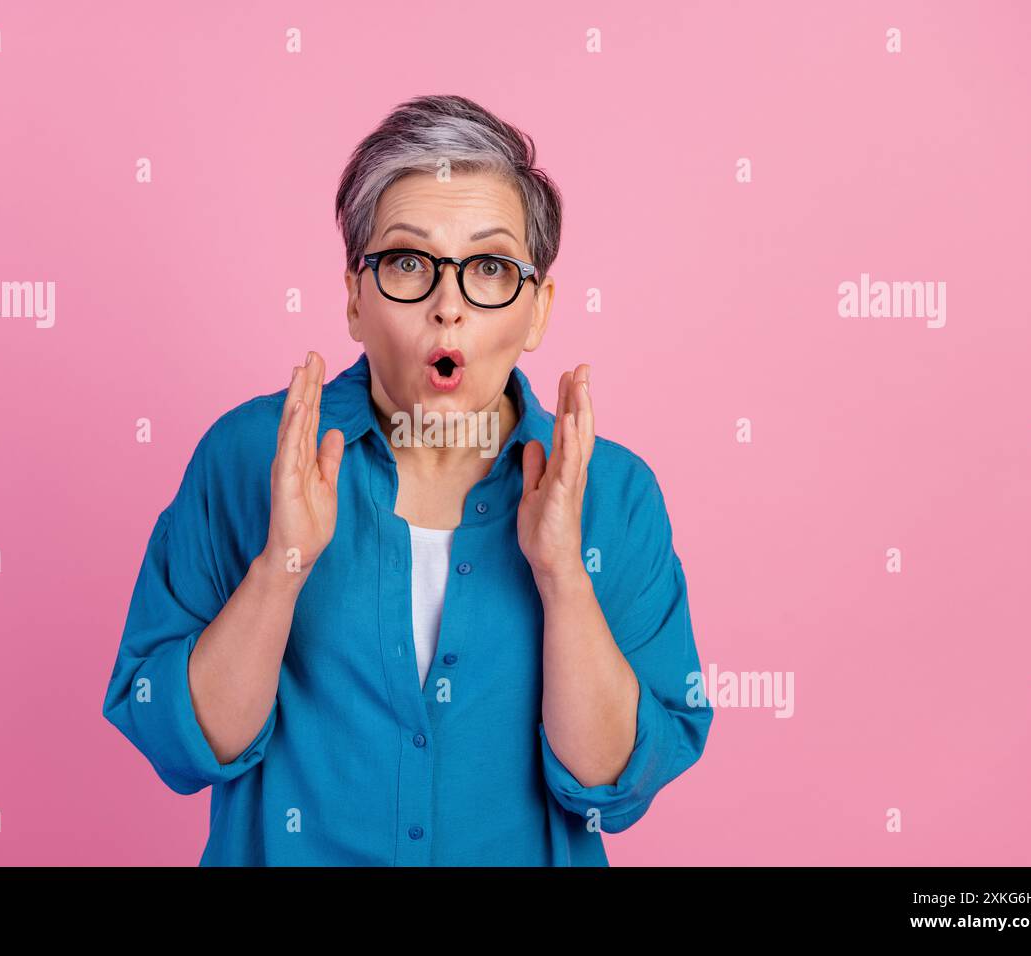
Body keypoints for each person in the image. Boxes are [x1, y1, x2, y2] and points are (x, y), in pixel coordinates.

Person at [103, 93, 712, 865]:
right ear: (355, 297)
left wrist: (563, 578)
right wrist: (281, 566)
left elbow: (610, 786)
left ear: (537, 310)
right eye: (407, 263)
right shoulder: (248, 456)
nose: (447, 306)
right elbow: (179, 747)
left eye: (489, 268)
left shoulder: (614, 495)